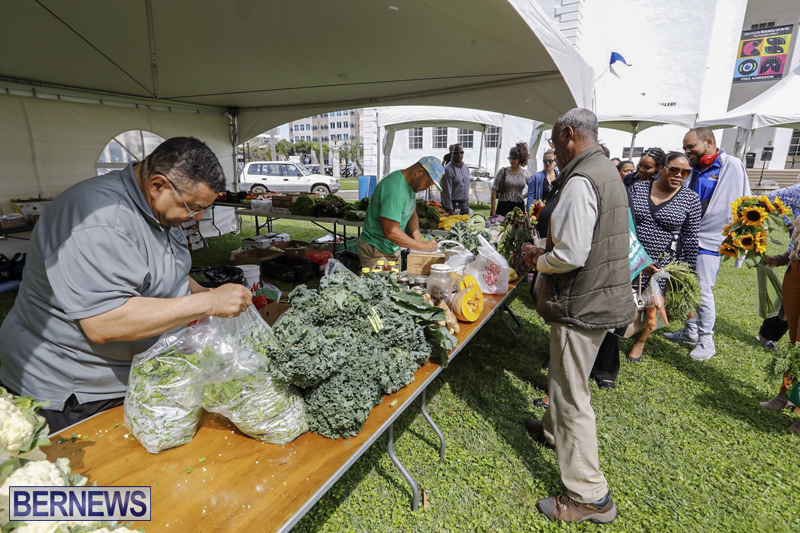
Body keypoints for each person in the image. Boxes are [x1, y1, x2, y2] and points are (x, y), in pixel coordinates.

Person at [0, 137, 253, 432]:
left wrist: (199, 291)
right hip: (77, 392)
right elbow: (104, 323)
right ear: (157, 185)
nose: (195, 217)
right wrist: (208, 303)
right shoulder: (101, 221)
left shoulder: (155, 208)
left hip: (131, 374)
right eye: (192, 206)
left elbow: (152, 266)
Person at [523, 108, 633, 524]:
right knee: (564, 375)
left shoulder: (582, 179)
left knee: (572, 395)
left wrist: (540, 258)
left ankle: (591, 496)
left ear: (570, 135)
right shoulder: (607, 170)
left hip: (581, 301)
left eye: (555, 143)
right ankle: (552, 431)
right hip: (602, 296)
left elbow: (569, 254)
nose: (554, 151)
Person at [662, 127, 751, 360]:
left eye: (691, 146)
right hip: (687, 235)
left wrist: (740, 235)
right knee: (686, 284)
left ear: (709, 142)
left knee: (702, 291)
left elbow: (744, 199)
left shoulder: (731, 165)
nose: (687, 151)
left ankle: (706, 340)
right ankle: (690, 331)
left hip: (712, 239)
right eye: (685, 148)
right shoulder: (691, 168)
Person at [626, 152, 701, 362]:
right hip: (631, 253)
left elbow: (691, 238)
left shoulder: (690, 199)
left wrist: (688, 272)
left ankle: (640, 341)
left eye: (685, 172)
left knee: (654, 302)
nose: (679, 175)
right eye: (674, 169)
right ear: (662, 168)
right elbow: (625, 222)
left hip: (663, 262)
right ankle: (616, 331)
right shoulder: (638, 188)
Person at [357, 156, 443, 269]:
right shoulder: (395, 190)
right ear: (419, 172)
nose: (426, 188)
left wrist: (418, 242)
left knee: (396, 284)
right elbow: (390, 232)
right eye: (428, 183)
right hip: (376, 249)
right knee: (382, 285)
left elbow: (412, 214)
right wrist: (422, 246)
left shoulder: (409, 186)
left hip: (392, 247)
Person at [760, 218, 800, 434]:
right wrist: (777, 259)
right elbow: (794, 250)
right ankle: (786, 396)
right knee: (795, 344)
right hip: (794, 275)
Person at [490, 142, 530, 217]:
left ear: (520, 159)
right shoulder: (503, 171)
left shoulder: (525, 173)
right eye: (510, 158)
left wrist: (522, 196)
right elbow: (494, 189)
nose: (511, 160)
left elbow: (532, 189)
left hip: (518, 207)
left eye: (514, 158)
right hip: (503, 206)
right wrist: (492, 208)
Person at [441, 144, 471, 215]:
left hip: (465, 204)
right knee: (455, 225)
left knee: (465, 225)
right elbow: (446, 192)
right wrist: (449, 209)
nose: (459, 155)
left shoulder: (465, 168)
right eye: (456, 153)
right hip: (454, 206)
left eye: (461, 152)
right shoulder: (448, 170)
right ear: (451, 154)